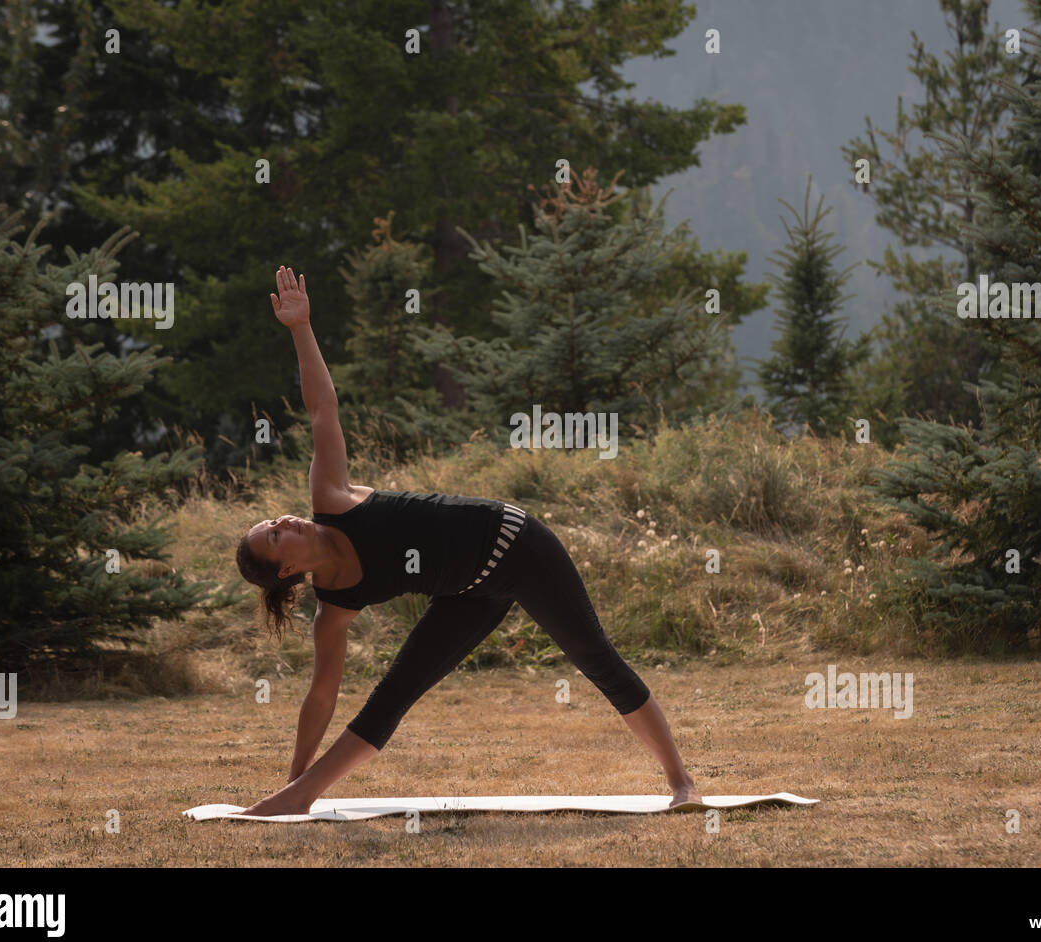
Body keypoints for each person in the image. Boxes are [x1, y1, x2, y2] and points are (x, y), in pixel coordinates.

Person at [232, 266, 702, 815]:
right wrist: (294, 774)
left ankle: (682, 784)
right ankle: (298, 796)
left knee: (596, 660)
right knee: (392, 696)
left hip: (518, 545)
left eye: (277, 520)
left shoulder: (331, 495)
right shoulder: (333, 609)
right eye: (275, 536)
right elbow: (321, 695)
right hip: (468, 593)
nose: (285, 521)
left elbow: (322, 409)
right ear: (286, 571)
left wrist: (300, 328)